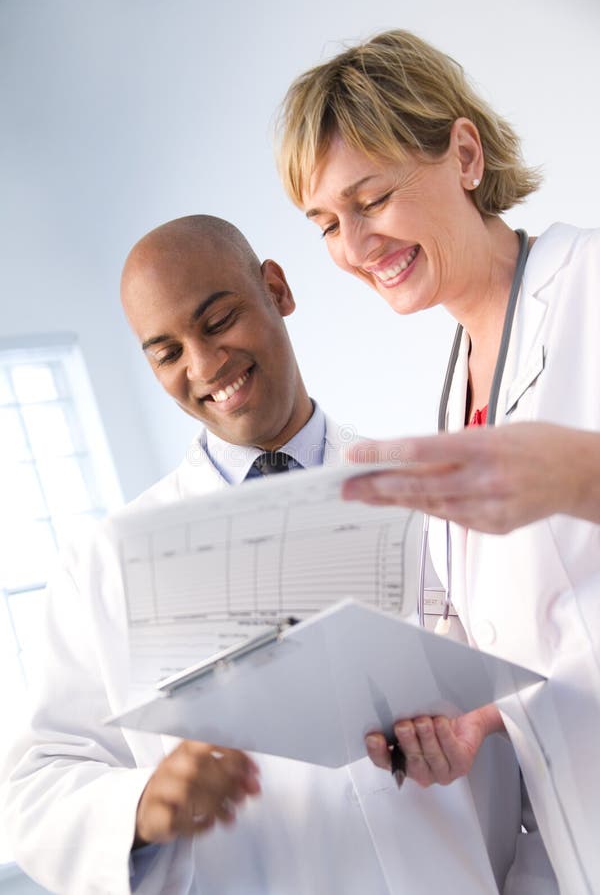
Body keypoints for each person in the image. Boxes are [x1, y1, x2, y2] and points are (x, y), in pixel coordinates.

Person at [2, 215, 521, 894]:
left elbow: (538, 703)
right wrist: (142, 805)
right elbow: (39, 783)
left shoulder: (429, 491)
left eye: (218, 321)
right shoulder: (104, 563)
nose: (205, 365)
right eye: (166, 353)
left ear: (276, 289)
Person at [276, 28, 600, 895]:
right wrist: (477, 723)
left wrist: (578, 474)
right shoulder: (457, 382)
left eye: (373, 197)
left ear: (463, 154)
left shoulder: (590, 286)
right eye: (326, 225)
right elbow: (561, 631)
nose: (353, 246)